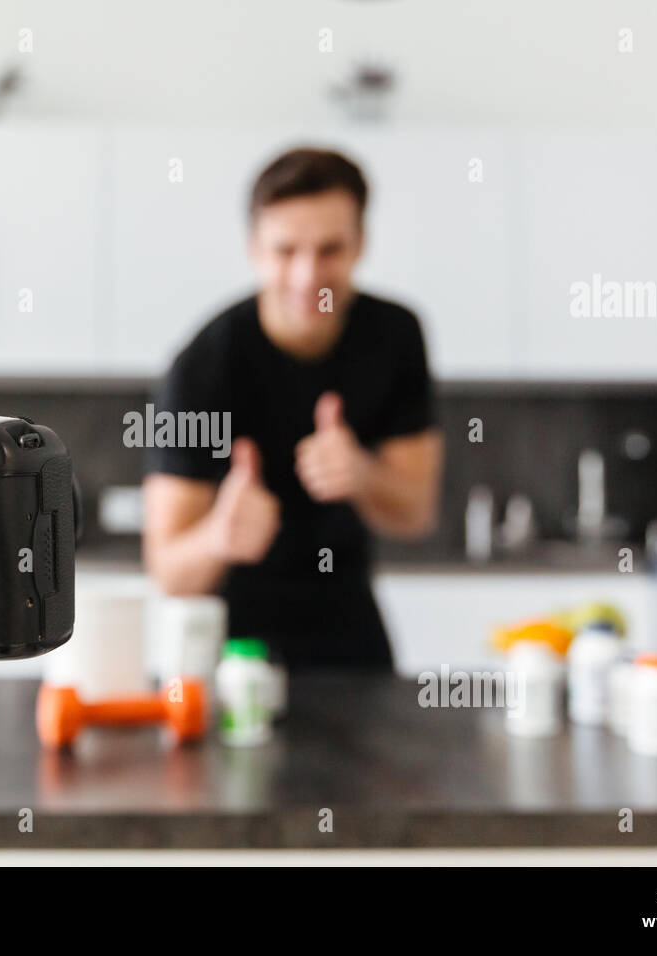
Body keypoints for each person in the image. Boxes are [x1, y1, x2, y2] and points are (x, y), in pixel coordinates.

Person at [142, 147, 444, 673]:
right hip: (232, 652)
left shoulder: (396, 336)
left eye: (330, 249)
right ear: (254, 249)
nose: (308, 276)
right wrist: (219, 536)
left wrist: (363, 476)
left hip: (352, 639)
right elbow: (169, 572)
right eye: (286, 251)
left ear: (361, 245)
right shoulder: (200, 368)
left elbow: (416, 513)